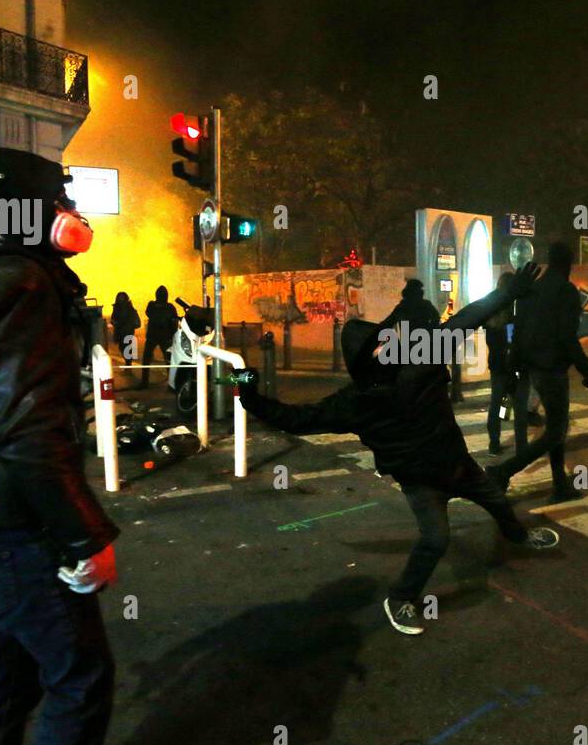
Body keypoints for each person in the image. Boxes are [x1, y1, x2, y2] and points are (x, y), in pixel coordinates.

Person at [237, 262, 560, 636]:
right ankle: (401, 598)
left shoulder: (418, 362)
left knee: (498, 503)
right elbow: (296, 419)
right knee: (436, 539)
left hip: (458, 465)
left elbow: (466, 320)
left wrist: (507, 293)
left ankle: (518, 535)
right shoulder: (355, 402)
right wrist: (249, 396)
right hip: (421, 482)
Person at [0, 148, 119, 745]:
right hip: (11, 529)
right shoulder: (24, 283)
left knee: (1, 681)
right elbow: (30, 431)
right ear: (36, 211)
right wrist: (85, 535)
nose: (75, 214)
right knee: (80, 679)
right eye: (63, 201)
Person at [486, 241, 588, 503]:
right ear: (568, 262)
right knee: (555, 431)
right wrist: (587, 370)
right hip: (553, 370)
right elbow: (568, 337)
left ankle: (559, 484)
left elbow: (519, 330)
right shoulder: (565, 291)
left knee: (557, 426)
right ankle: (502, 471)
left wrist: (514, 369)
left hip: (532, 368)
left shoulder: (534, 289)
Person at [483, 272, 514, 455]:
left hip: (496, 361)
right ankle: (521, 440)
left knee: (496, 401)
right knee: (515, 398)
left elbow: (490, 339)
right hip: (512, 362)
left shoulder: (491, 310)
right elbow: (512, 338)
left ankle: (494, 442)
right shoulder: (512, 309)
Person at [141, 286, 179, 387]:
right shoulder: (156, 305)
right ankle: (171, 383)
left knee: (166, 360)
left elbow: (174, 321)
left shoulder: (165, 306)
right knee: (164, 360)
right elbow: (150, 313)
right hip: (159, 336)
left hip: (160, 336)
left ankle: (146, 382)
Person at [110, 291, 141, 366]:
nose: (121, 299)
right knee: (122, 348)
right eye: (119, 297)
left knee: (127, 350)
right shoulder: (116, 307)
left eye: (122, 297)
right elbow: (113, 318)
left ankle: (128, 367)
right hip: (120, 332)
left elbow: (131, 318)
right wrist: (114, 322)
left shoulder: (129, 307)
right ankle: (128, 366)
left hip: (127, 331)